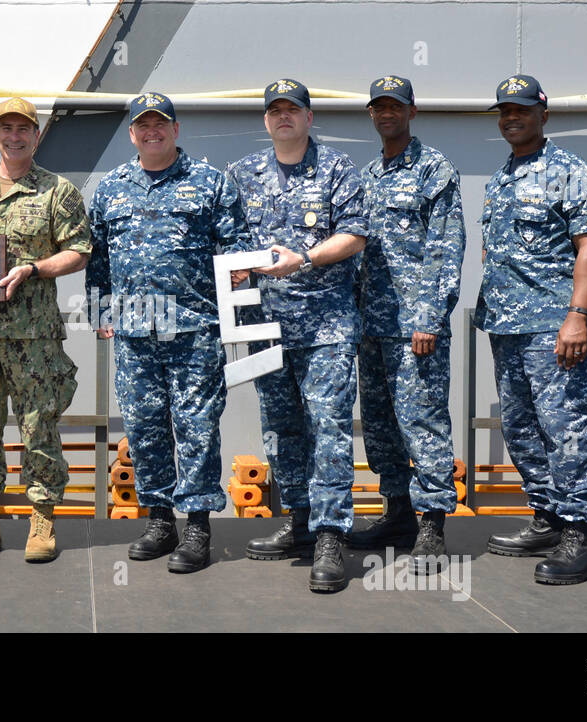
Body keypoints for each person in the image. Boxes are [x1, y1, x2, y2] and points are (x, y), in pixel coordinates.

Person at [87, 92, 248, 573]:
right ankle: (160, 519)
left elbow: (236, 248)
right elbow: (97, 258)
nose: (151, 131)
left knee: (197, 428)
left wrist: (235, 296)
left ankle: (197, 523)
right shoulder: (110, 188)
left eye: (161, 124)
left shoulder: (211, 183)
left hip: (196, 331)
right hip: (134, 335)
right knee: (145, 429)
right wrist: (101, 315)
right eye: (142, 125)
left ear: (175, 129)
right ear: (132, 133)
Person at [228, 79, 368, 593]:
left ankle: (331, 534)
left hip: (325, 324)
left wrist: (305, 258)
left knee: (328, 427)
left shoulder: (337, 169)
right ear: (266, 120)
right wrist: (239, 269)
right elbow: (231, 240)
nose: (283, 117)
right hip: (266, 325)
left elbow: (356, 234)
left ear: (310, 117)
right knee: (282, 428)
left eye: (293, 110)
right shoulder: (242, 174)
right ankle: (302, 520)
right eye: (274, 111)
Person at [476, 75, 587, 585]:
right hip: (507, 328)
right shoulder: (502, 176)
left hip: (553, 326)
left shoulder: (569, 171)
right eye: (505, 111)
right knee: (521, 428)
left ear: (543, 115)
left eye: (522, 110)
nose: (512, 118)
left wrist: (576, 314)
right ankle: (549, 516)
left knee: (566, 426)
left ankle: (579, 534)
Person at [0, 98, 91, 563]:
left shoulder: (57, 192)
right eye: (5, 128)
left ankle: (42, 517)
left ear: (35, 135)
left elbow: (79, 251)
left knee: (38, 425)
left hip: (34, 337)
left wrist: (33, 268)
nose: (14, 136)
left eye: (23, 129)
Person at [346, 75, 465, 575]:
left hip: (415, 327)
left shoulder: (435, 169)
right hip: (371, 326)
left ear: (412, 111)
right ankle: (397, 512)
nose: (386, 113)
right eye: (378, 107)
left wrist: (429, 318)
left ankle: (433, 525)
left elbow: (447, 247)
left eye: (395, 106)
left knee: (423, 423)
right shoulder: (367, 175)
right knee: (380, 425)